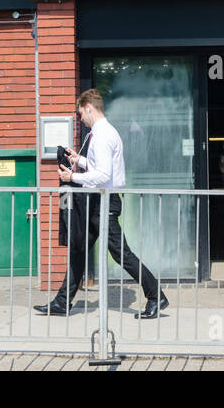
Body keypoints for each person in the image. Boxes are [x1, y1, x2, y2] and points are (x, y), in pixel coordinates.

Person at [35, 89, 169, 319]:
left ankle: (156, 296)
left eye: (80, 114)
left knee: (121, 254)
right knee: (78, 249)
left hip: (103, 202)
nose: (80, 119)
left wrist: (72, 177)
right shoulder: (103, 133)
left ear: (89, 107)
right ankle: (62, 302)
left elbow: (103, 175)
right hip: (97, 201)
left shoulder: (103, 135)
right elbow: (100, 168)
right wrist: (80, 160)